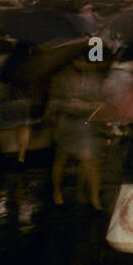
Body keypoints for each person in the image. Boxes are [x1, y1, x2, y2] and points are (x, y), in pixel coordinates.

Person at [47, 56, 106, 209]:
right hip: (66, 125)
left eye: (85, 61)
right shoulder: (60, 76)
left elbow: (100, 99)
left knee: (88, 160)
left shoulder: (94, 76)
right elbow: (53, 102)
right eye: (79, 60)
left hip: (86, 125)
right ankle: (57, 191)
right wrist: (69, 104)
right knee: (61, 159)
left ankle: (93, 197)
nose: (82, 64)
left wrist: (92, 105)